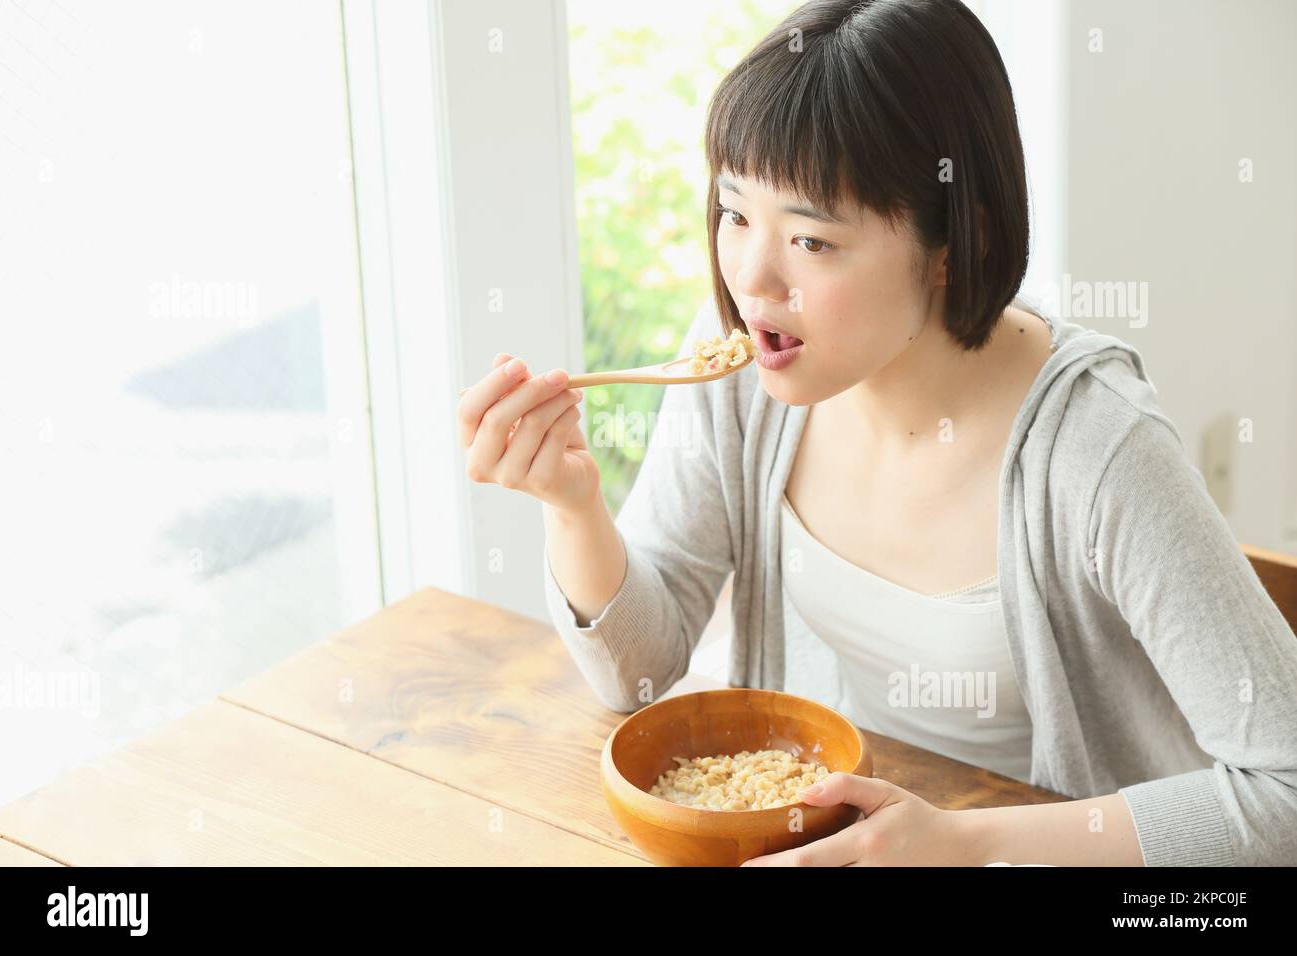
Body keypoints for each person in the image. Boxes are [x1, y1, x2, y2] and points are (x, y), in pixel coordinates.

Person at [455, 0, 1297, 866]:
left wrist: (964, 846)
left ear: (949, 244)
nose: (749, 277)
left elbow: (1288, 789)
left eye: (812, 241)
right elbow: (640, 670)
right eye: (735, 212)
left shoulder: (1097, 451)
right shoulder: (744, 379)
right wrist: (572, 507)